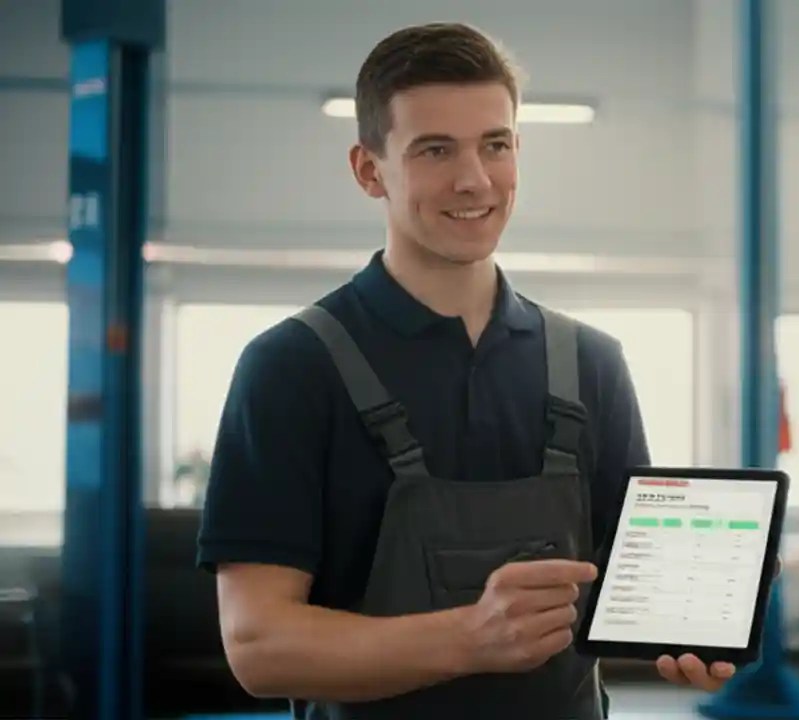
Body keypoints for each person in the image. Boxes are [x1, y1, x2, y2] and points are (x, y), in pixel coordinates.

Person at [196, 23, 734, 719]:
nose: (474, 179)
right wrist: (469, 638)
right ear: (368, 170)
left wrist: (702, 603)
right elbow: (259, 645)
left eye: (495, 145)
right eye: (435, 149)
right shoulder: (291, 367)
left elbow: (623, 589)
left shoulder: (591, 364)